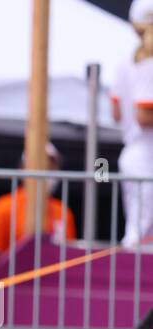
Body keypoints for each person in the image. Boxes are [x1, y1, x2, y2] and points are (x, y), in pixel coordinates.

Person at [0, 143, 77, 274]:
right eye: (41, 166)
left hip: (52, 287)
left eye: (51, 167)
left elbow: (72, 259)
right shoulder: (4, 207)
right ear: (23, 168)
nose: (46, 172)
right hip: (12, 286)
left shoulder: (63, 212)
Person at [112, 0, 153, 246]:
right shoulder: (146, 61)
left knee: (138, 233)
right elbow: (143, 115)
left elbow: (116, 113)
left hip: (134, 153)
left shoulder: (124, 59)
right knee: (140, 235)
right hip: (145, 157)